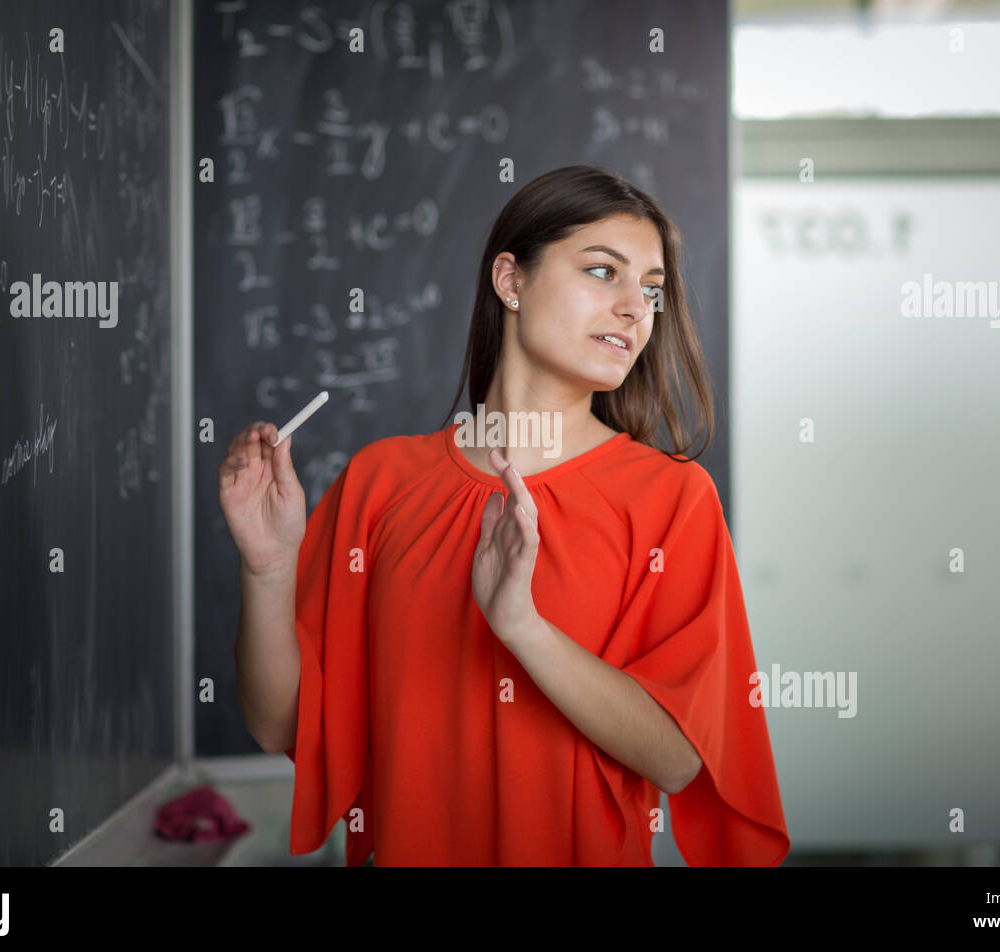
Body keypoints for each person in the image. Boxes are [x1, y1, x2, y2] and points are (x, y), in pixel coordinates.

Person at [219, 165, 790, 866]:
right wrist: (268, 569)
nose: (635, 309)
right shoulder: (380, 481)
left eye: (650, 291)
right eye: (603, 272)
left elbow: (678, 759)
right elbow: (280, 722)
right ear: (511, 281)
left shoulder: (673, 500)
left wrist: (523, 629)